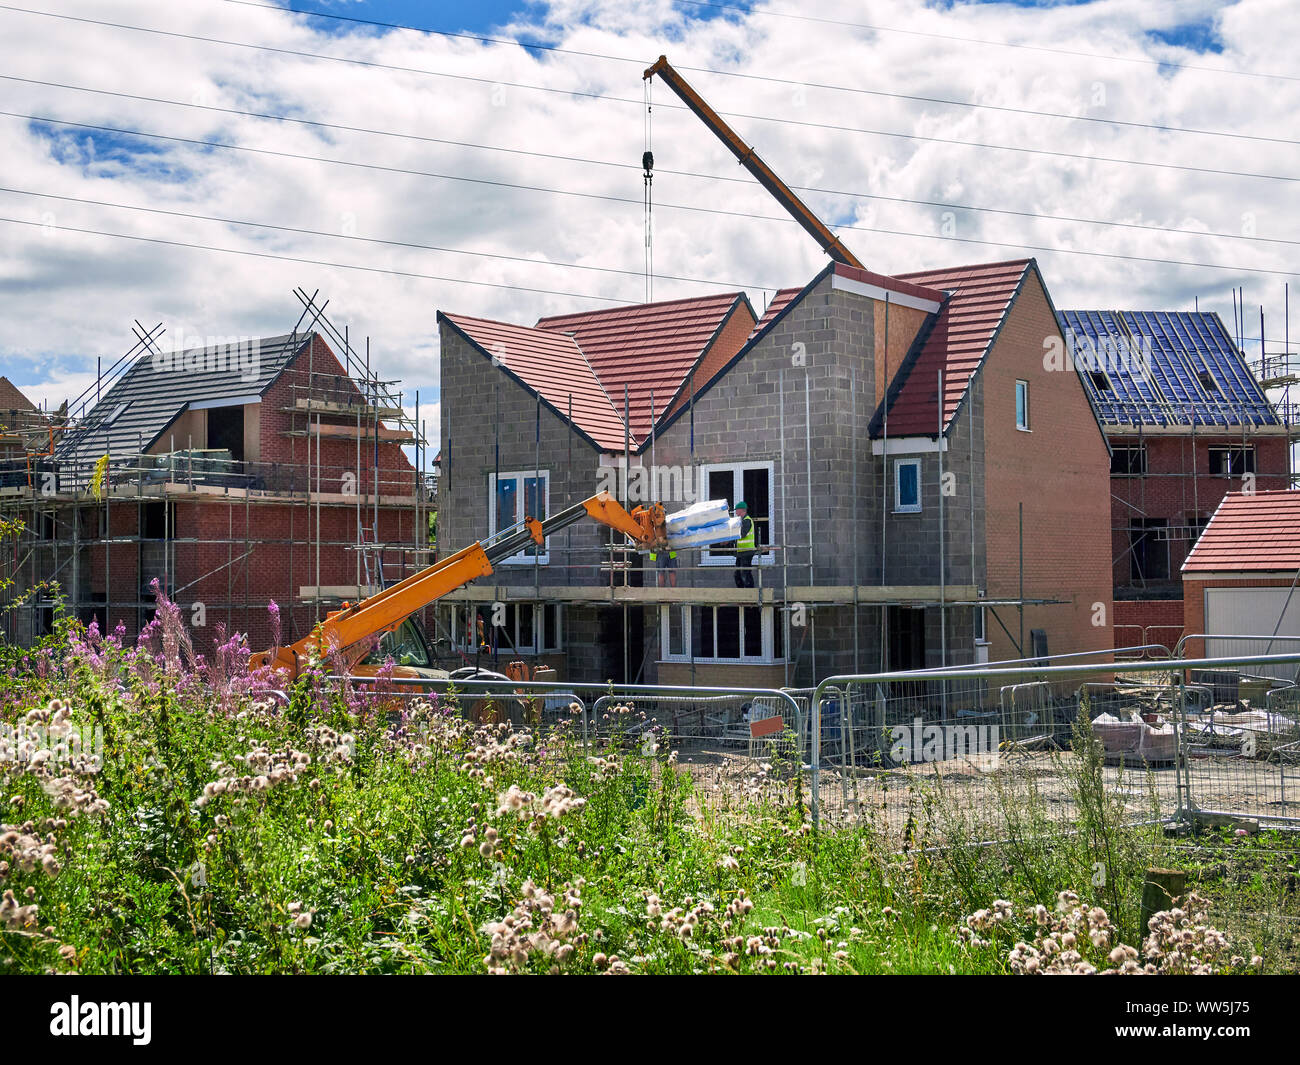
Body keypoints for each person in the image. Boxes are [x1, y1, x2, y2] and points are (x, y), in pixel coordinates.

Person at [733, 501, 757, 588]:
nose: (735, 512)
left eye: (737, 510)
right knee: (738, 574)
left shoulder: (747, 521)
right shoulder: (741, 521)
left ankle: (749, 595)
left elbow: (742, 534)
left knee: (745, 573)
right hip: (741, 552)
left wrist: (731, 535)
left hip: (747, 551)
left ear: (742, 510)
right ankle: (742, 595)